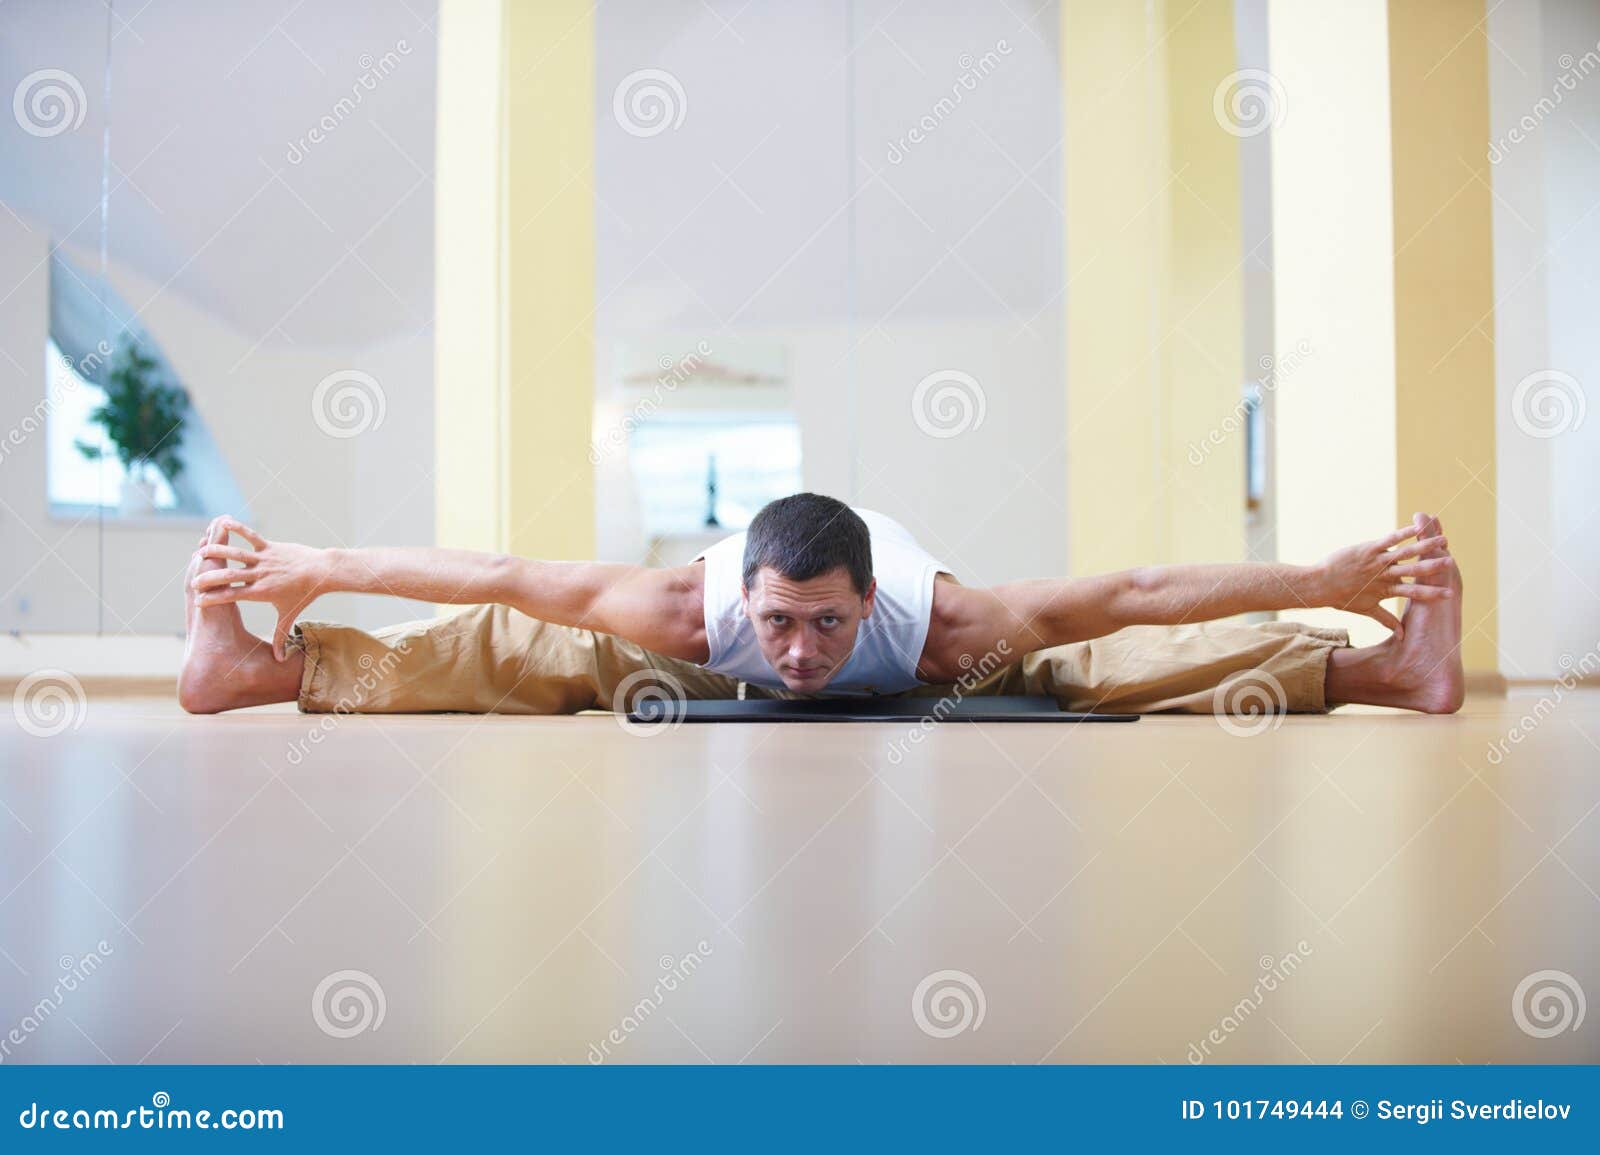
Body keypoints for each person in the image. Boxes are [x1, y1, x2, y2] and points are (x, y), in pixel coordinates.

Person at [177, 492, 1463, 717]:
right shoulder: (687, 615)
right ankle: (269, 672)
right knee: (522, 639)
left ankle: (1375, 671)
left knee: (1101, 666)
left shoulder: (943, 628)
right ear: (739, 598)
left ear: (872, 606)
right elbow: (505, 577)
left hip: (946, 680)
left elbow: (1131, 593)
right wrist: (319, 565)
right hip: (681, 663)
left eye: (827, 626)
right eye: (778, 622)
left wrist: (1325, 584)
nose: (798, 652)